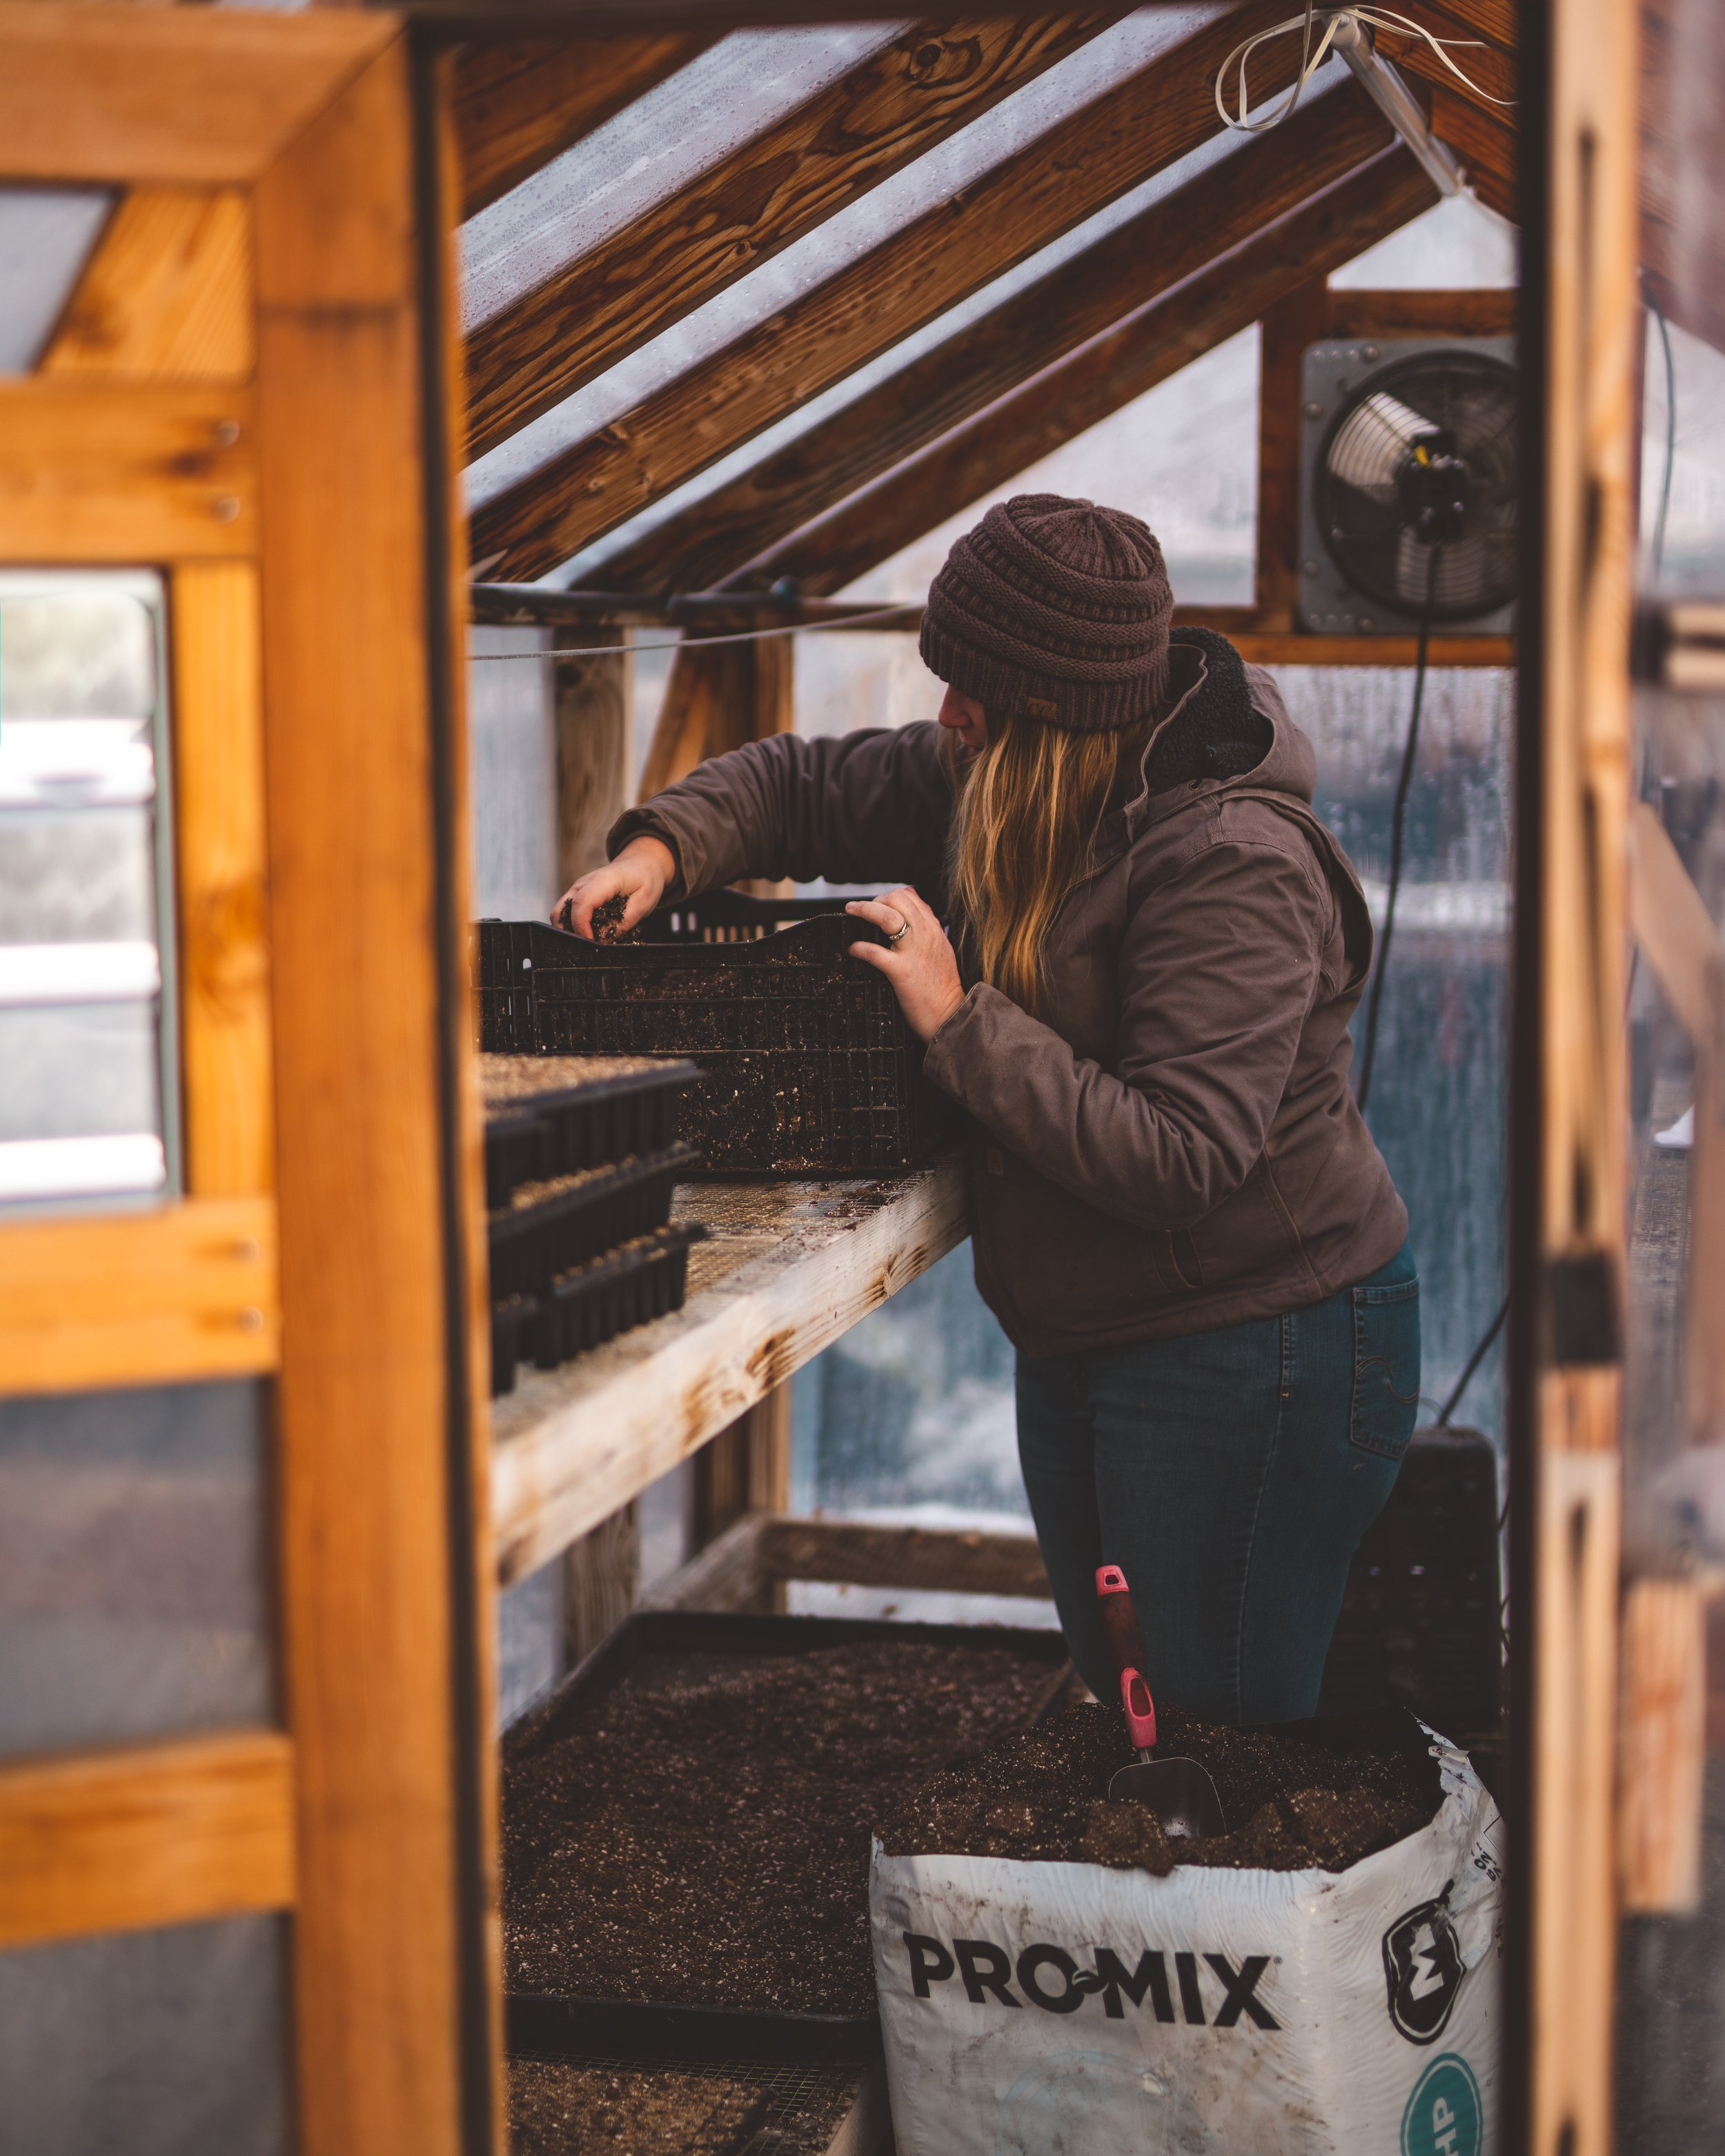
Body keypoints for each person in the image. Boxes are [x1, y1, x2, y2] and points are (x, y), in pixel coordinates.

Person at [555, 494, 1418, 1728]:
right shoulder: (1010, 774)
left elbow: (1183, 1156)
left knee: (1215, 1739)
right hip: (1098, 1335)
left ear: (1057, 712)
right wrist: (662, 849)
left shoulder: (1231, 857)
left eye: (977, 692)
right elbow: (805, 785)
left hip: (1256, 1348)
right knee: (1140, 1705)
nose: (948, 712)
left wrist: (962, 1022)